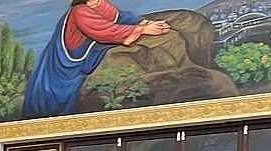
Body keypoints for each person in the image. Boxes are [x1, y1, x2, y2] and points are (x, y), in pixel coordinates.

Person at [23, 0, 169, 118]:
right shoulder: (80, 11)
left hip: (84, 52)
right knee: (58, 101)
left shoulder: (99, 3)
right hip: (63, 68)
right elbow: (104, 30)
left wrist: (143, 22)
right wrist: (141, 30)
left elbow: (119, 17)